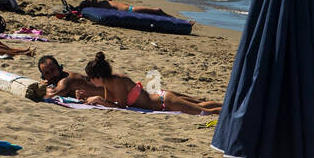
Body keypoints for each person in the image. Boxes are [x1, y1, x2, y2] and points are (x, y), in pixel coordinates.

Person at [81, 52, 222, 113]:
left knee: (205, 112)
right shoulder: (108, 83)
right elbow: (109, 101)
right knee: (201, 105)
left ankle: (231, 112)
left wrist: (98, 100)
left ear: (98, 76)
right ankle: (229, 107)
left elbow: (121, 106)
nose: (90, 81)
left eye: (90, 78)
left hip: (164, 101)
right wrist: (88, 98)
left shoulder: (117, 81)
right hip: (161, 98)